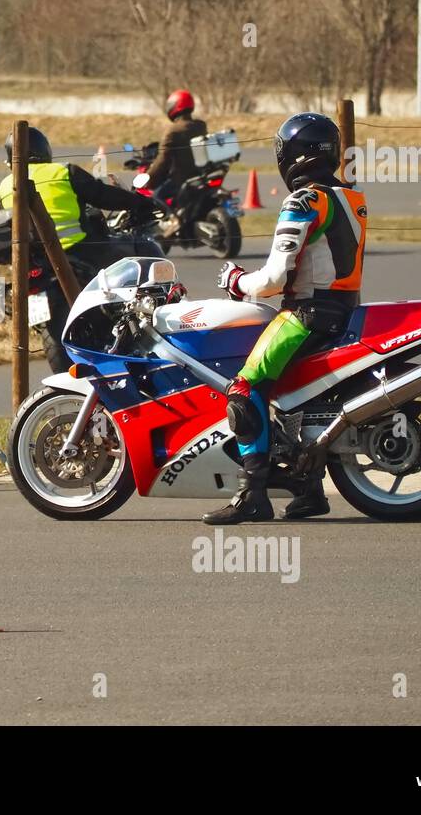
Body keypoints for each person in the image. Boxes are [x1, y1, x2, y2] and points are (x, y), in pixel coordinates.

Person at [204, 112, 368, 525]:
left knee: (244, 389)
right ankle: (309, 491)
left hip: (307, 314)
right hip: (345, 311)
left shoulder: (304, 200)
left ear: (293, 155)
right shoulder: (352, 197)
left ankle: (251, 495)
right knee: (294, 397)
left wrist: (237, 281)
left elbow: (274, 279)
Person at [0, 126, 161, 273]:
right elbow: (102, 195)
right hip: (77, 252)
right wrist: (140, 201)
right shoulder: (64, 172)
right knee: (141, 247)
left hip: (31, 261)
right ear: (44, 149)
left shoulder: (4, 186)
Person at [141, 89, 208, 203]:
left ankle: (171, 220)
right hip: (200, 177)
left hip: (180, 180)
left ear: (175, 106)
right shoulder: (201, 126)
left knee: (155, 199)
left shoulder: (173, 131)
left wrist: (148, 179)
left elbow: (163, 160)